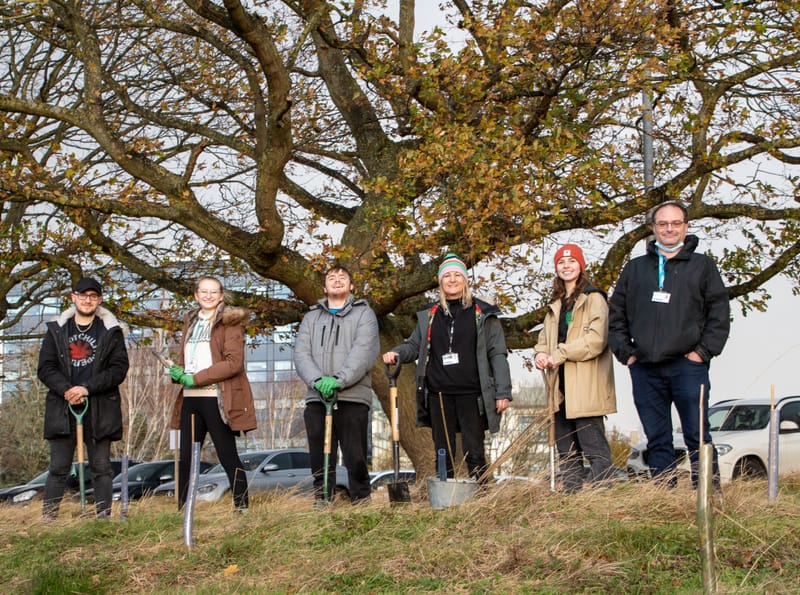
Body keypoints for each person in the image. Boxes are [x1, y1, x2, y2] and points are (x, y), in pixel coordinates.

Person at [608, 201, 730, 487]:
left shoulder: (702, 266)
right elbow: (616, 315)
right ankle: (665, 496)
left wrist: (702, 353)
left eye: (675, 223)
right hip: (646, 368)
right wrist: (627, 355)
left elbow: (719, 313)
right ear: (653, 229)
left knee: (697, 434)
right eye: (663, 224)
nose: (669, 229)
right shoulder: (635, 269)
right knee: (657, 437)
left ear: (686, 227)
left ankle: (708, 496)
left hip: (688, 367)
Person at [383, 254, 512, 482]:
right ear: (440, 282)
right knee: (443, 451)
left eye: (457, 275)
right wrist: (397, 353)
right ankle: (445, 496)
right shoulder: (430, 315)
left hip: (472, 394)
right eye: (447, 276)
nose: (452, 280)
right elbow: (414, 345)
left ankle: (481, 497)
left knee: (474, 451)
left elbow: (497, 354)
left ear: (465, 279)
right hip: (438, 394)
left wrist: (502, 391)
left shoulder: (483, 313)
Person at [38, 277, 130, 519]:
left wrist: (86, 388)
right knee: (58, 468)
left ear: (99, 300)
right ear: (73, 297)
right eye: (82, 295)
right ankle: (48, 519)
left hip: (99, 408)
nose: (87, 300)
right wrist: (68, 390)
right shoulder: (56, 330)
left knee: (101, 467)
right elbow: (45, 367)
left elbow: (118, 369)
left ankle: (103, 517)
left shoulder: (111, 332)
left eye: (92, 296)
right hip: (63, 407)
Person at [168, 277, 256, 512]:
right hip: (190, 398)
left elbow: (234, 363)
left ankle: (241, 507)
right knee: (186, 459)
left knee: (227, 455)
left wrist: (196, 378)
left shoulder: (230, 322)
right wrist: (177, 372)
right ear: (196, 295)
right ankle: (183, 510)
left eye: (213, 292)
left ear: (221, 296)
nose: (208, 296)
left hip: (216, 398)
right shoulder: (191, 320)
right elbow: (187, 357)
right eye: (203, 291)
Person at [293, 265, 380, 504]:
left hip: (352, 397)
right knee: (320, 456)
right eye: (332, 277)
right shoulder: (311, 317)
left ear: (351, 286)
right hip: (317, 398)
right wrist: (318, 381)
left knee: (355, 456)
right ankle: (323, 501)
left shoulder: (364, 314)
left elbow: (363, 351)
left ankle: (361, 502)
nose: (337, 280)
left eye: (343, 277)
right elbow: (301, 354)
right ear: (324, 287)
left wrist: (339, 380)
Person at [534, 244, 617, 492]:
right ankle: (571, 495)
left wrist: (559, 354)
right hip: (559, 388)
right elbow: (543, 340)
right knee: (566, 449)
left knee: (593, 445)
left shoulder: (594, 299)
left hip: (585, 386)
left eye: (571, 261)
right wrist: (539, 353)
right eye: (561, 262)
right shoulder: (555, 305)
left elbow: (596, 341)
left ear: (581, 266)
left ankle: (603, 492)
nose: (566, 266)